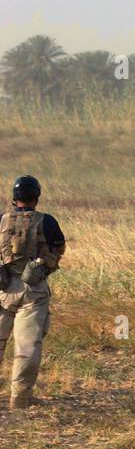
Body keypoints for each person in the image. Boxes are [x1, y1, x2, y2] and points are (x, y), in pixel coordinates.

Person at [0, 175, 65, 409]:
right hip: (34, 290)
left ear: (14, 197)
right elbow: (58, 248)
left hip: (4, 288)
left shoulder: (2, 220)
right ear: (36, 198)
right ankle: (20, 398)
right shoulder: (46, 221)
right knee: (27, 346)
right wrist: (41, 263)